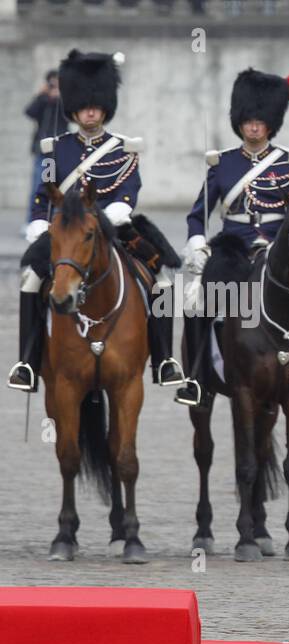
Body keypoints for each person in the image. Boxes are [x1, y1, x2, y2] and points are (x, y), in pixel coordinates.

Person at [10, 49, 184, 396]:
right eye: (84, 106)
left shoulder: (123, 148)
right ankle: (28, 362)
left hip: (114, 225)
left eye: (96, 105)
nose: (90, 111)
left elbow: (131, 189)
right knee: (31, 278)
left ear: (105, 107)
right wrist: (37, 223)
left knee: (162, 279)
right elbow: (43, 195)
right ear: (74, 109)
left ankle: (164, 359)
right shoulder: (54, 149)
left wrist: (118, 209)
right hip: (67, 230)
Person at [177, 67, 289, 407]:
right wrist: (196, 243)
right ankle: (196, 376)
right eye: (248, 120)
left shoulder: (288, 164)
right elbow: (197, 215)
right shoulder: (222, 164)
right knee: (196, 301)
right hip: (232, 249)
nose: (253, 126)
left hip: (278, 247)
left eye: (260, 120)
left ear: (271, 123)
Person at [25, 70, 61, 212]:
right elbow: (29, 112)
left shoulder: (64, 101)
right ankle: (32, 221)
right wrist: (41, 95)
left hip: (59, 150)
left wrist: (60, 97)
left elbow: (70, 114)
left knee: (56, 186)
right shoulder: (43, 101)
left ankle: (54, 220)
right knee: (37, 186)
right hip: (42, 150)